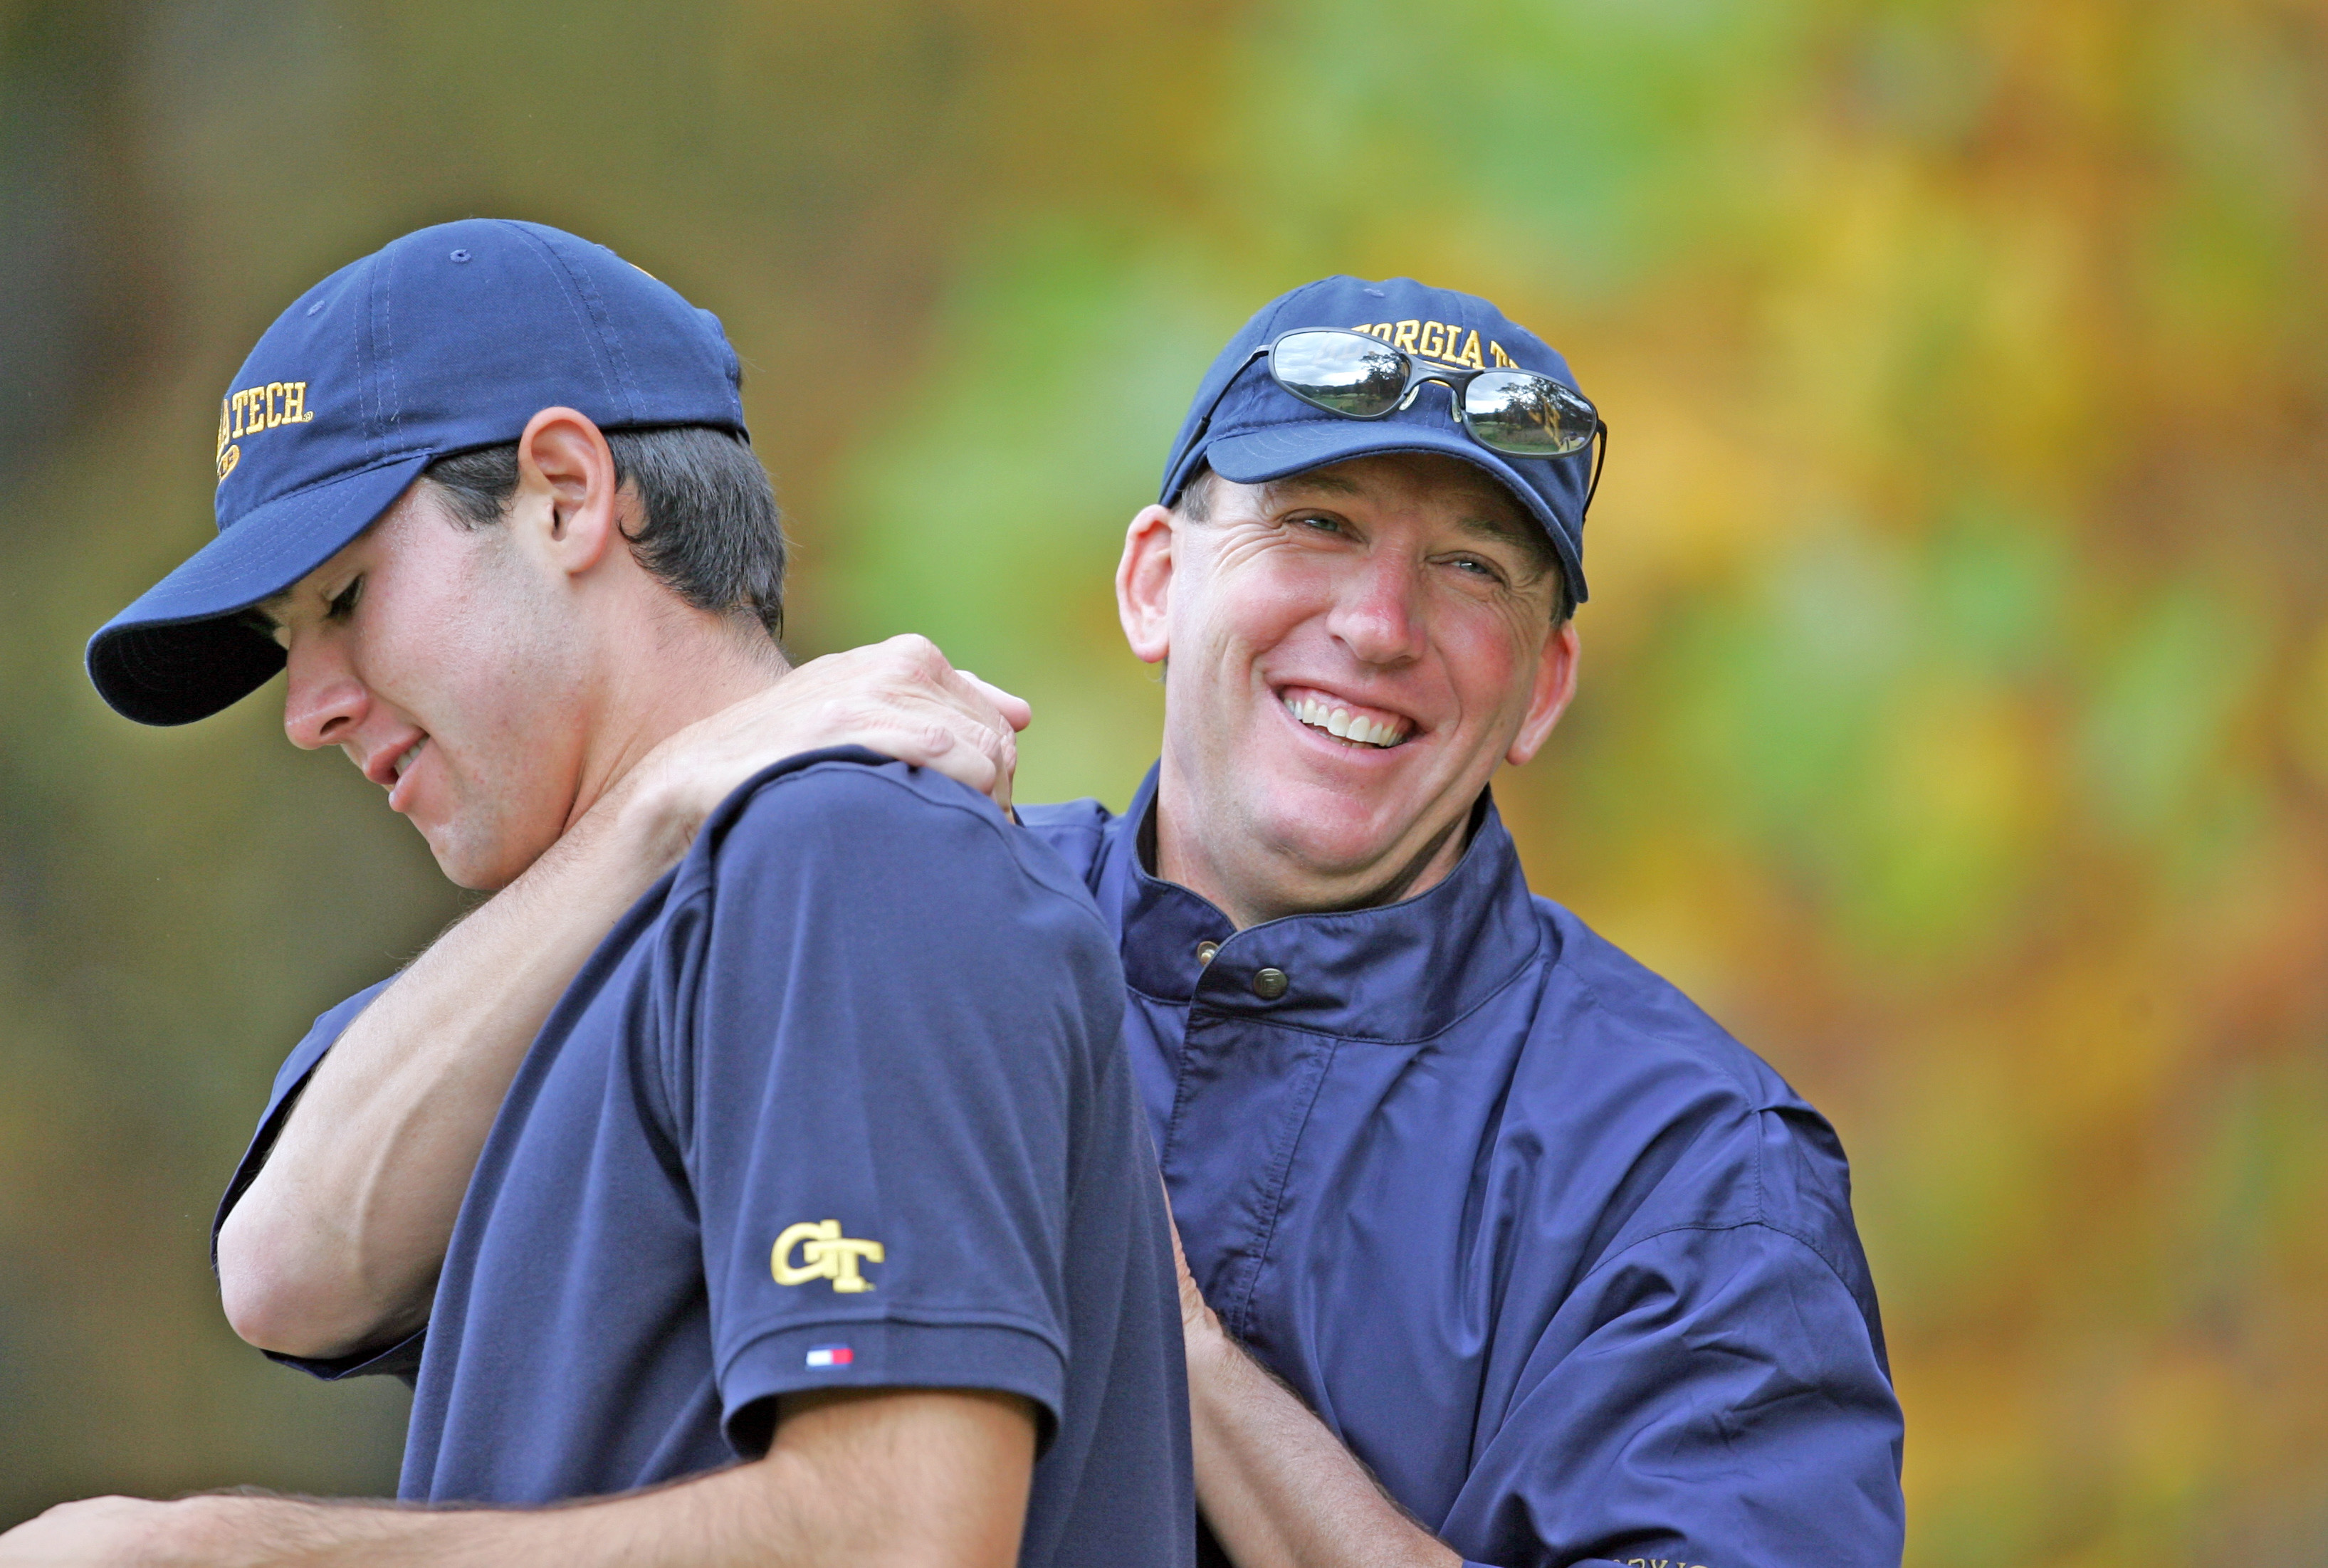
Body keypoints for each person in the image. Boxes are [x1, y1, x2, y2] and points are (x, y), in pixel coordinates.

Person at [208, 276, 1903, 1567]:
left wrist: (1185, 1362)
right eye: (1316, 525)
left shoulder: (1694, 1176)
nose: (1379, 624)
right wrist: (680, 792)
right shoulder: (901, 902)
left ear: (1541, 689)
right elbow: (309, 1260)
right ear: (1157, 581)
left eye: (1472, 570)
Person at [1, 219, 1192, 1568]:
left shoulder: (850, 856)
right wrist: (659, 804)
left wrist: (234, 1555)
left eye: (343, 598)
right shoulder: (609, 934)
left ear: (566, 492)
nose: (308, 711)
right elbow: (284, 1274)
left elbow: (902, 1532)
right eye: (289, 646)